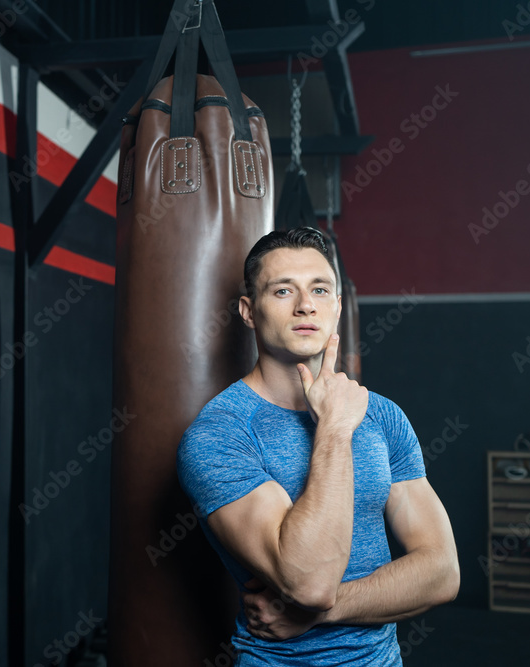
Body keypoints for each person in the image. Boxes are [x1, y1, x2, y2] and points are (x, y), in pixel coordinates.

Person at [176, 227, 459, 665]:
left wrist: (322, 613)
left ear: (338, 306)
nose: (306, 304)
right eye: (283, 289)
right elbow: (309, 583)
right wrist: (334, 430)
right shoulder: (220, 434)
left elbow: (442, 571)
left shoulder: (381, 415)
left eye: (320, 289)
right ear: (249, 311)